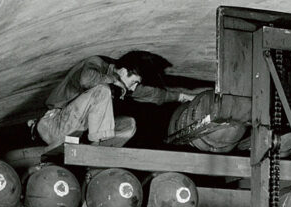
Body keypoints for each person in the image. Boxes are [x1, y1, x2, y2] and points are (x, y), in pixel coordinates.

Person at [34, 51, 196, 147]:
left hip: (78, 134)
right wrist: (114, 80)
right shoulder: (97, 64)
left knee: (129, 125)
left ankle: (99, 153)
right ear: (124, 71)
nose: (133, 88)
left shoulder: (124, 87)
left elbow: (155, 95)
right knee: (102, 91)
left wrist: (185, 97)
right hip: (54, 125)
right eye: (134, 82)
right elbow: (85, 79)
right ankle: (98, 144)